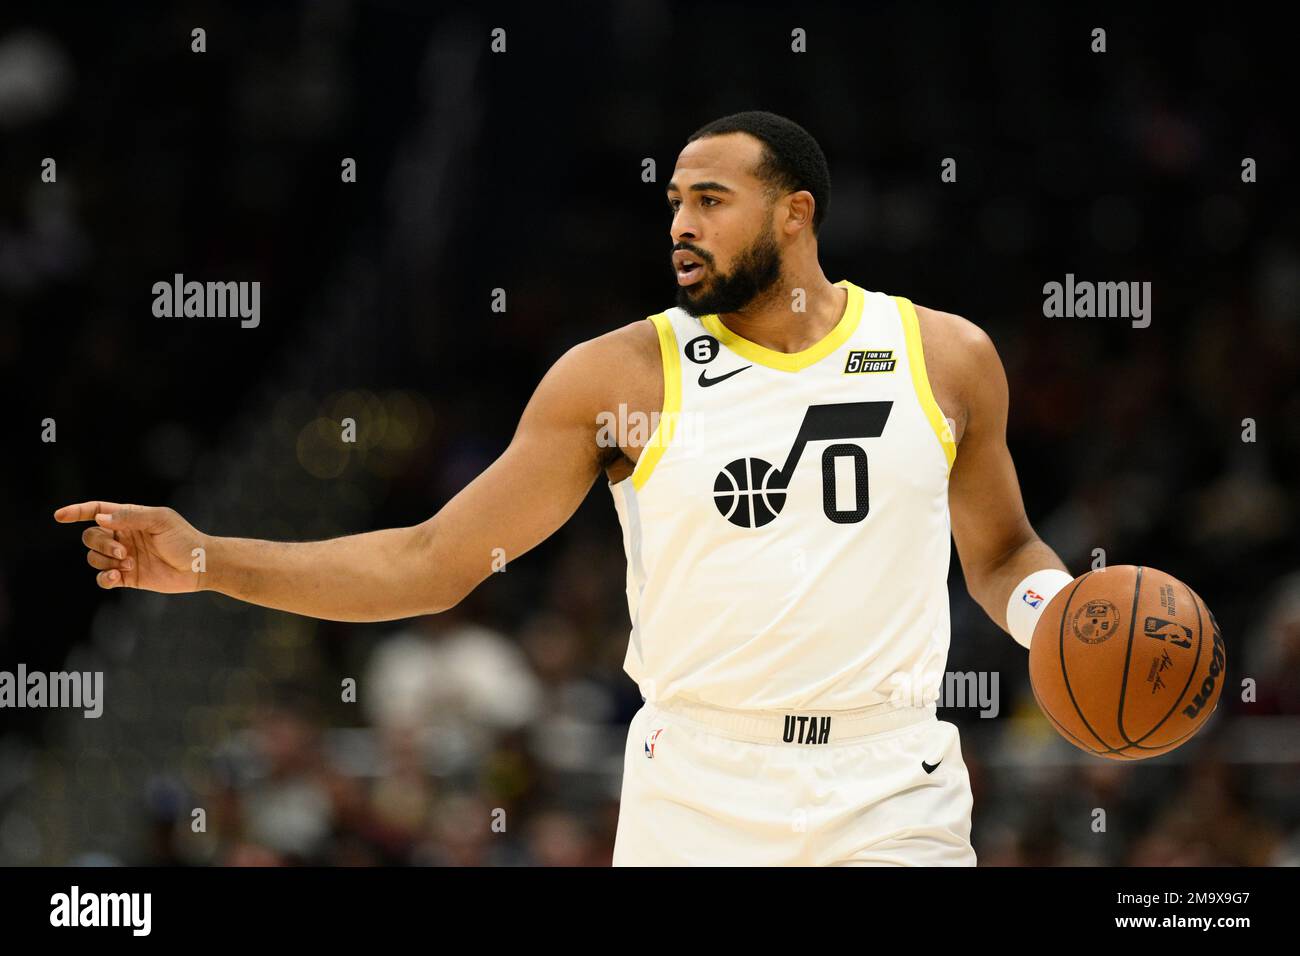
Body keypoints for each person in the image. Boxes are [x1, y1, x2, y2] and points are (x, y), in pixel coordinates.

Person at [55, 110, 1074, 866]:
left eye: (709, 200)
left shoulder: (943, 354)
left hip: (890, 783)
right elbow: (429, 560)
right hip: (697, 786)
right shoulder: (619, 375)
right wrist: (206, 557)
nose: (679, 223)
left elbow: (998, 552)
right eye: (672, 201)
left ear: (796, 212)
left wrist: (1058, 613)